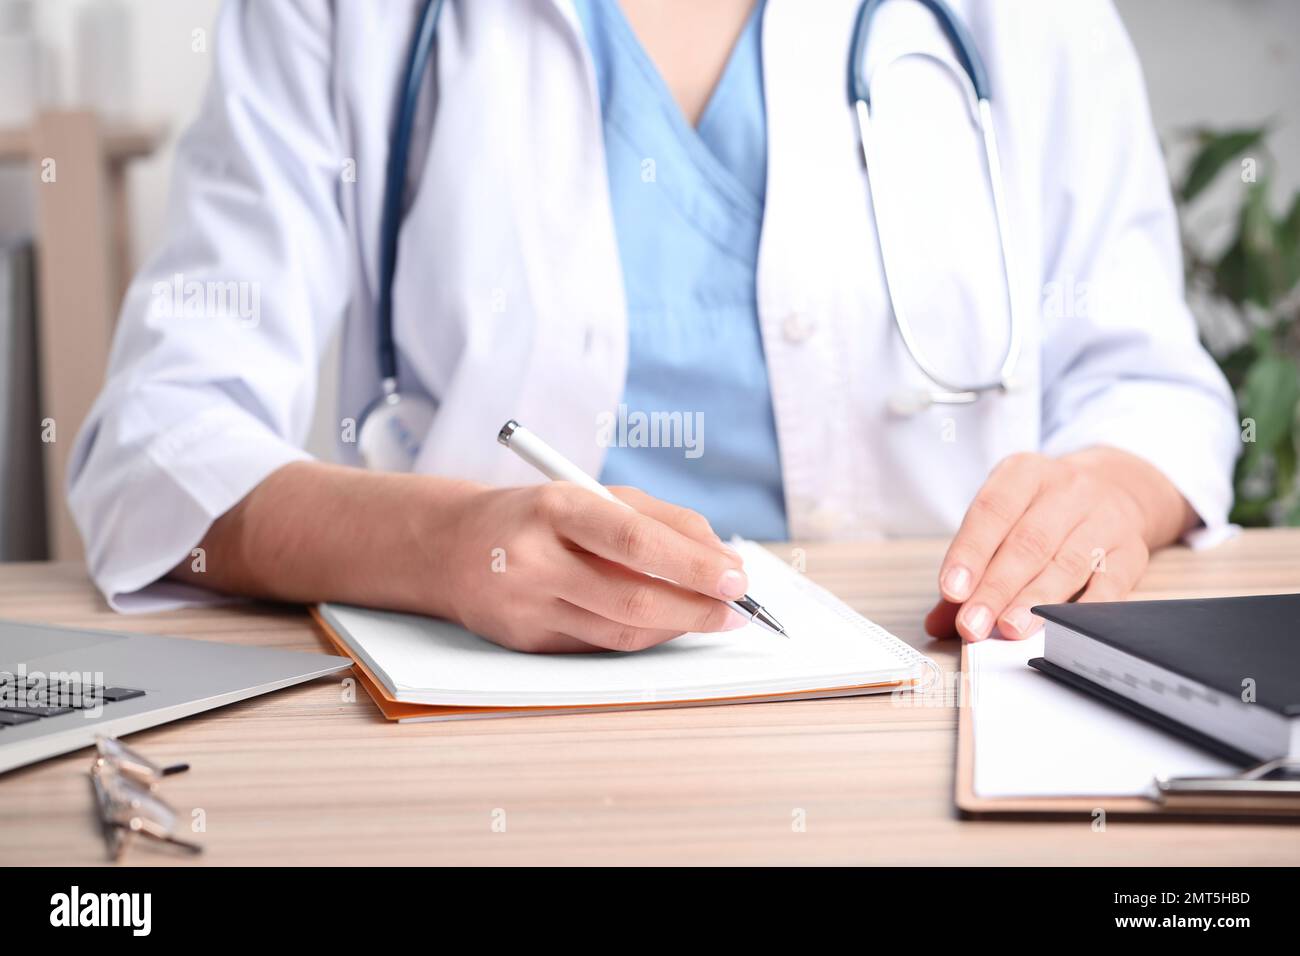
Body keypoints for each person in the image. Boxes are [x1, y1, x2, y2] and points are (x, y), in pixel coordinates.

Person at [68, 0, 1238, 652]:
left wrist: (1095, 499)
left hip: (935, 696)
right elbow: (158, 442)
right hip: (485, 725)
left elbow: (1153, 392)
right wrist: (438, 543)